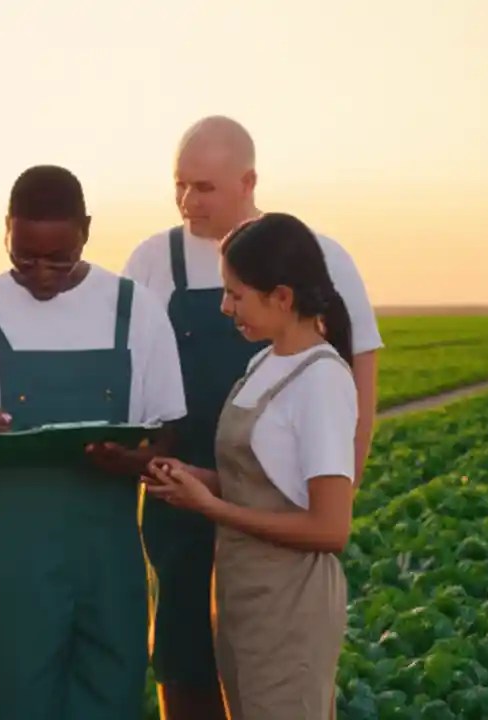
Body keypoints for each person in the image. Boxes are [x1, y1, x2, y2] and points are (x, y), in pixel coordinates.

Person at [0, 165, 187, 720]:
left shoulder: (134, 311)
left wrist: (133, 460)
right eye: (25, 257)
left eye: (60, 257)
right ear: (6, 229)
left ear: (88, 231)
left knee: (110, 694)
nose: (42, 273)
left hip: (106, 559)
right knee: (12, 700)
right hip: (4, 567)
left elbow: (167, 432)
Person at [122, 115, 382, 719]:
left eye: (204, 187)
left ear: (248, 181)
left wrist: (333, 500)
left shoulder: (317, 258)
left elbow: (359, 390)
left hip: (277, 515)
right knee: (187, 663)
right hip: (188, 508)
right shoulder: (154, 260)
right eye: (179, 185)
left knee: (273, 676)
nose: (188, 201)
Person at [143, 212, 358, 720]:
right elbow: (265, 485)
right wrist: (196, 480)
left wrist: (212, 507)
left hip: (289, 604)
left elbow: (330, 529)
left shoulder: (321, 382)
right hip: (241, 598)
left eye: (236, 294)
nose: (225, 307)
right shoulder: (263, 363)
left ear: (282, 297)